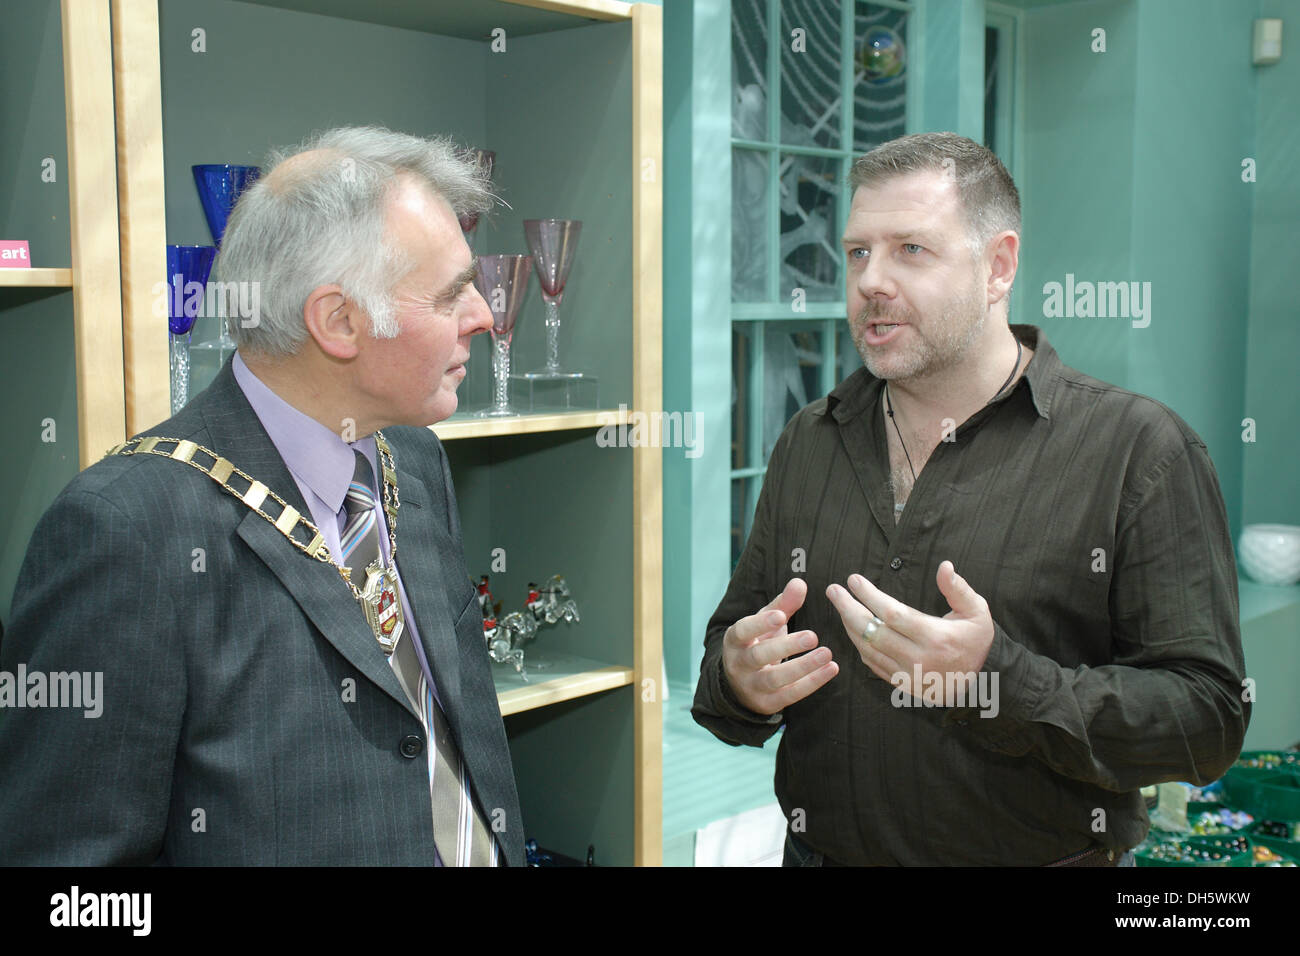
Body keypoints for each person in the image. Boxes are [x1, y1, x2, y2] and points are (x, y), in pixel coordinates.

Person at [692, 132, 1249, 866]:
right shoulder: (810, 440)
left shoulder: (1141, 451)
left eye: (910, 251)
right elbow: (727, 662)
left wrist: (998, 681)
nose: (870, 282)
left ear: (999, 266)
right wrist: (739, 679)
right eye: (857, 252)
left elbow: (1206, 719)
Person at [0, 127, 524, 866]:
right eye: (450, 294)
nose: (486, 315)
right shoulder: (126, 529)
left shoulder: (414, 459)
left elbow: (456, 739)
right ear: (339, 321)